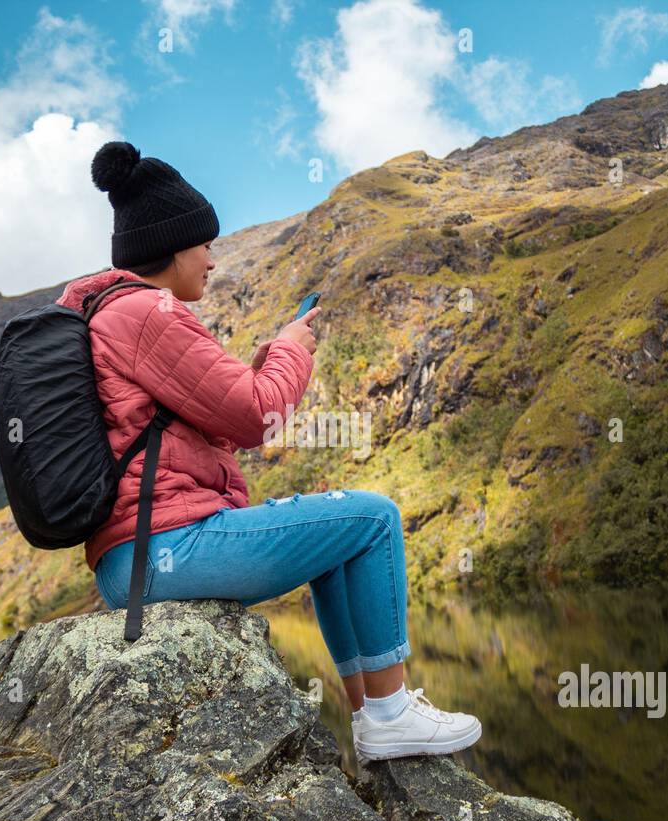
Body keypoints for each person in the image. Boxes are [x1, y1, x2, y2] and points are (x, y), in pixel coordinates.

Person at [57, 141, 481, 762]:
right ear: (173, 246)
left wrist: (257, 369)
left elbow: (202, 426)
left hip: (141, 556)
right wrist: (291, 348)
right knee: (373, 518)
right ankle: (389, 713)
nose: (212, 258)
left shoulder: (115, 314)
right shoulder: (147, 314)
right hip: (164, 550)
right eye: (206, 243)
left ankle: (374, 721)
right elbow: (260, 416)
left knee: (335, 546)